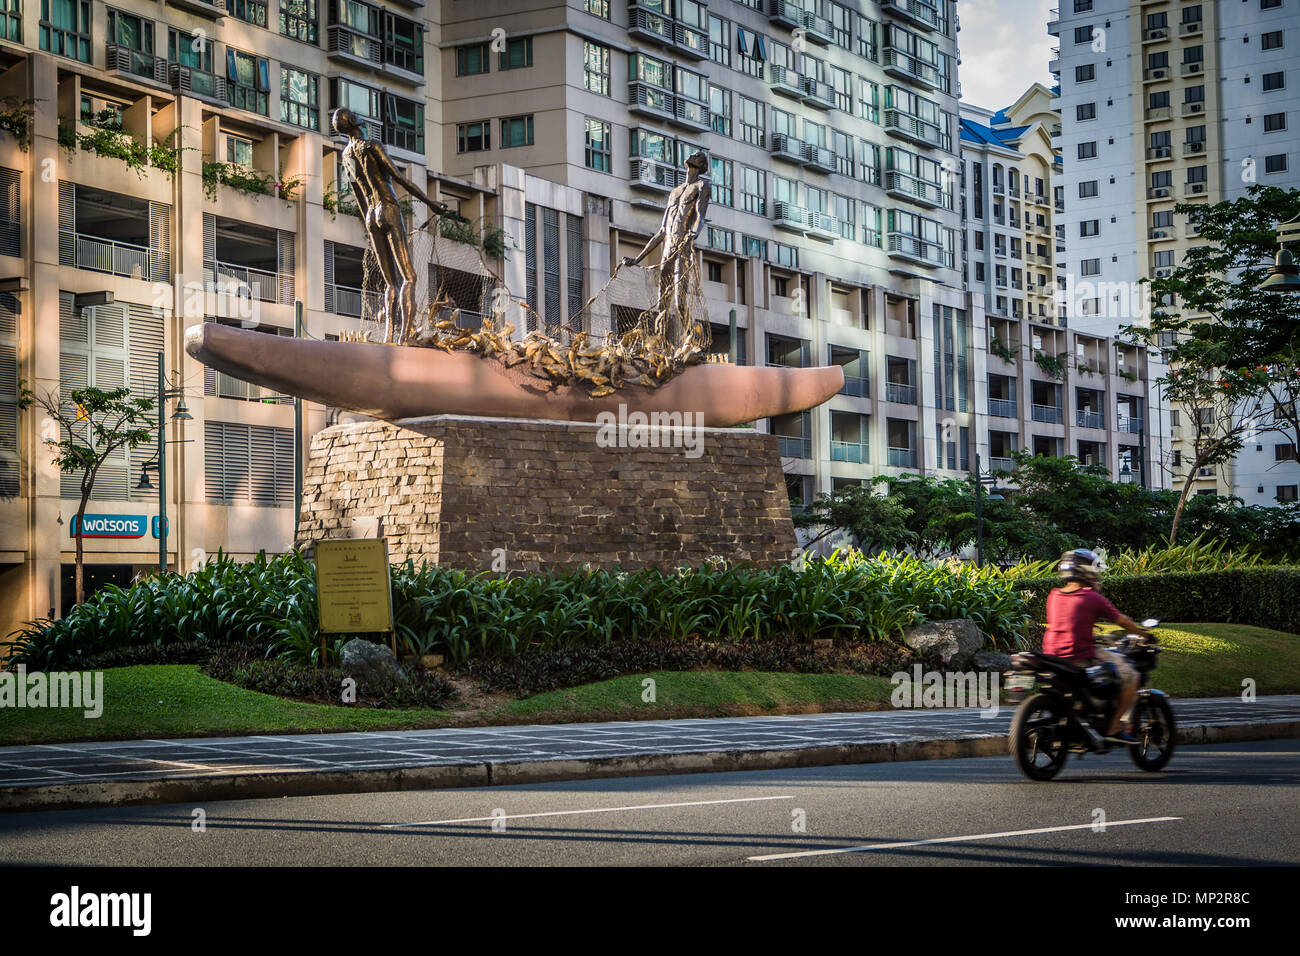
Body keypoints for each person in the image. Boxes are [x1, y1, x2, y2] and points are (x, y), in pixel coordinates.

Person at [333, 108, 462, 345]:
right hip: (388, 207)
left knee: (390, 281)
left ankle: (388, 335)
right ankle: (403, 338)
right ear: (353, 121)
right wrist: (430, 203)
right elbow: (400, 179)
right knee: (409, 277)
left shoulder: (346, 155)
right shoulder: (372, 146)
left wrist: (369, 223)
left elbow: (358, 194)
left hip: (371, 215)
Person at [1042, 548, 1149, 743]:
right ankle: (1115, 726)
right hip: (1080, 656)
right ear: (1086, 571)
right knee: (1132, 676)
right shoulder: (1092, 597)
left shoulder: (1054, 595)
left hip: (1052, 655)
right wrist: (1142, 634)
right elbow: (1122, 621)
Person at [620, 150, 711, 346]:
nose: (692, 155)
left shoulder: (702, 185)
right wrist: (637, 259)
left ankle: (690, 341)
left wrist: (693, 233)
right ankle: (660, 342)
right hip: (668, 248)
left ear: (701, 164)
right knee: (662, 302)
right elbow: (661, 231)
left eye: (697, 155)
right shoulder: (675, 192)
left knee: (679, 300)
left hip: (683, 247)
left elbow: (700, 216)